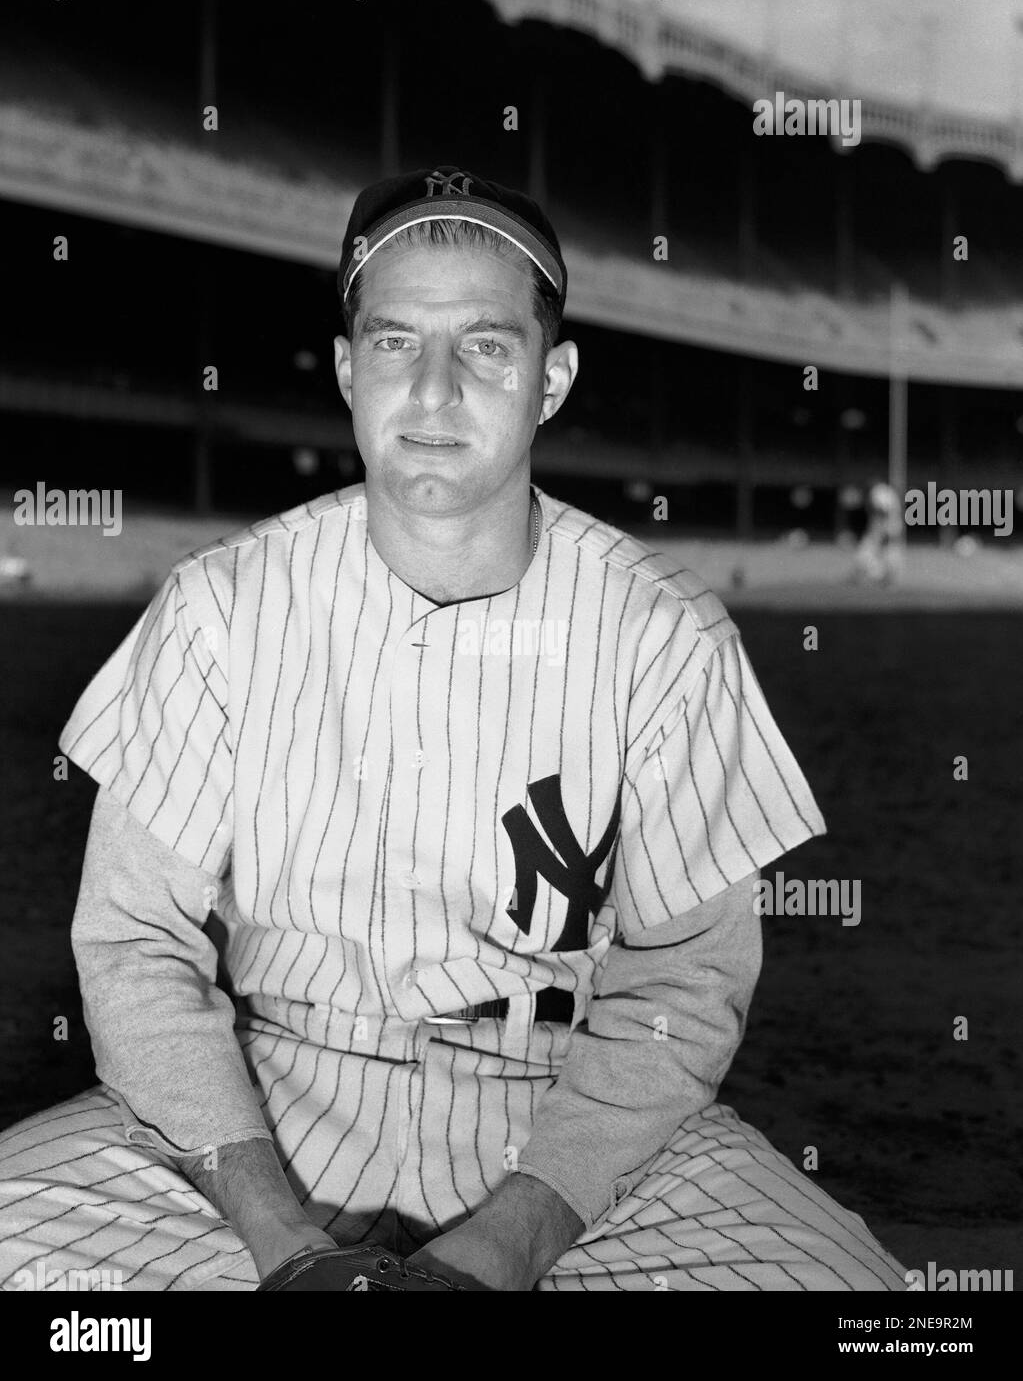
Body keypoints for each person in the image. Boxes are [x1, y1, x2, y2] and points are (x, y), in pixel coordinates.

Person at [0, 166, 906, 1291]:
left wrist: (504, 1246)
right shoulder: (219, 607)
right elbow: (137, 946)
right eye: (393, 343)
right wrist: (281, 1244)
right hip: (258, 1103)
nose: (431, 391)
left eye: (485, 345)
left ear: (552, 379)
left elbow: (679, 988)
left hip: (568, 1119)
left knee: (871, 1308)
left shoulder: (666, 638)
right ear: (346, 368)